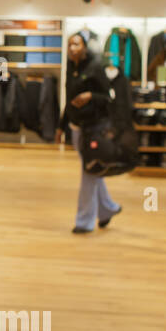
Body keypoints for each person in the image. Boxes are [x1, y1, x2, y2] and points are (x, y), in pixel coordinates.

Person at [57, 32, 121, 234]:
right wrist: (61, 125)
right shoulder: (71, 68)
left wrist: (90, 96)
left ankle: (84, 221)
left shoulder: (95, 67)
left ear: (85, 46)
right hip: (77, 128)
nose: (72, 48)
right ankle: (107, 209)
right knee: (93, 170)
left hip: (94, 128)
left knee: (88, 172)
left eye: (76, 44)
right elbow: (68, 99)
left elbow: (108, 97)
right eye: (69, 45)